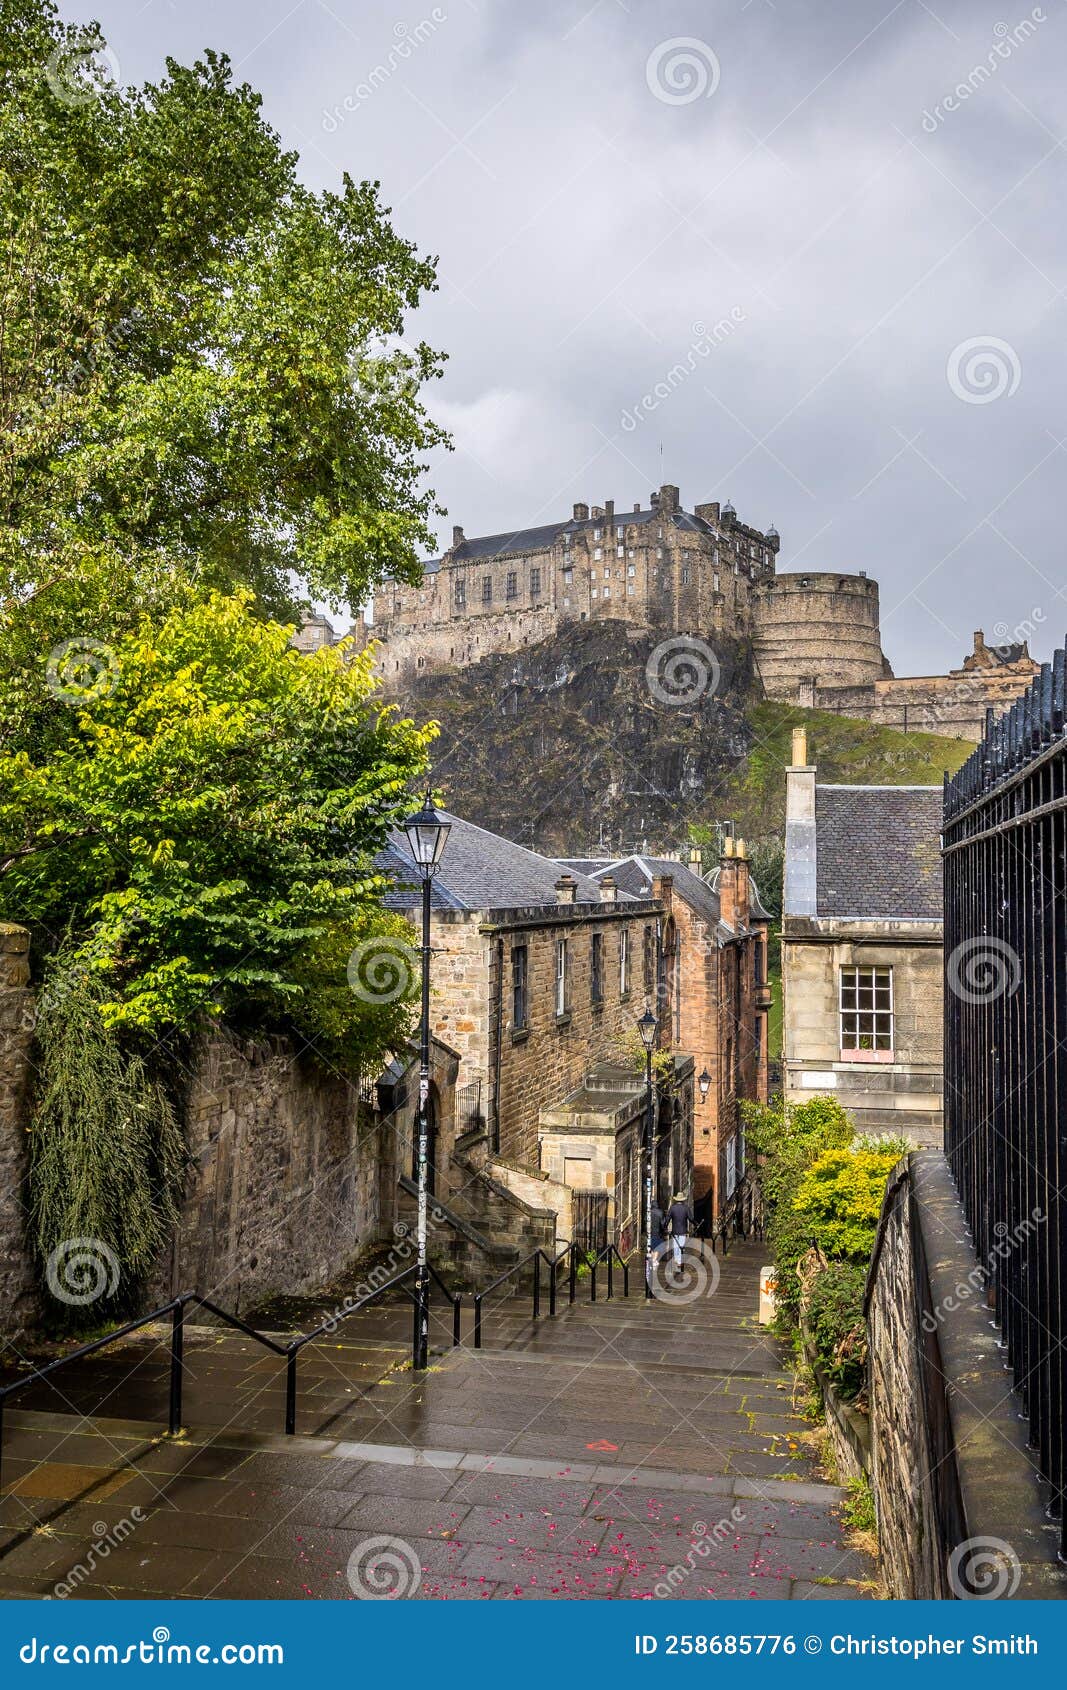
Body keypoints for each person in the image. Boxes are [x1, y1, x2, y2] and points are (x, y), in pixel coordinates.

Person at [667, 1191, 692, 1276]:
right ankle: (679, 1262)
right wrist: (696, 1224)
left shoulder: (672, 1208)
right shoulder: (686, 1208)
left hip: (675, 1230)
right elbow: (691, 1218)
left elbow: (668, 1218)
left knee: (675, 1245)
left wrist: (664, 1226)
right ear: (683, 1200)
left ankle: (676, 1259)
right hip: (682, 1230)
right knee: (681, 1246)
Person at [647, 1199, 668, 1284]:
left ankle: (652, 1260)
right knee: (658, 1247)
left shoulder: (649, 1212)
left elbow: (646, 1221)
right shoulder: (660, 1212)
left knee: (651, 1246)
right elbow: (662, 1223)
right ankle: (654, 1260)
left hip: (650, 1232)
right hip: (657, 1232)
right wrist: (664, 1229)